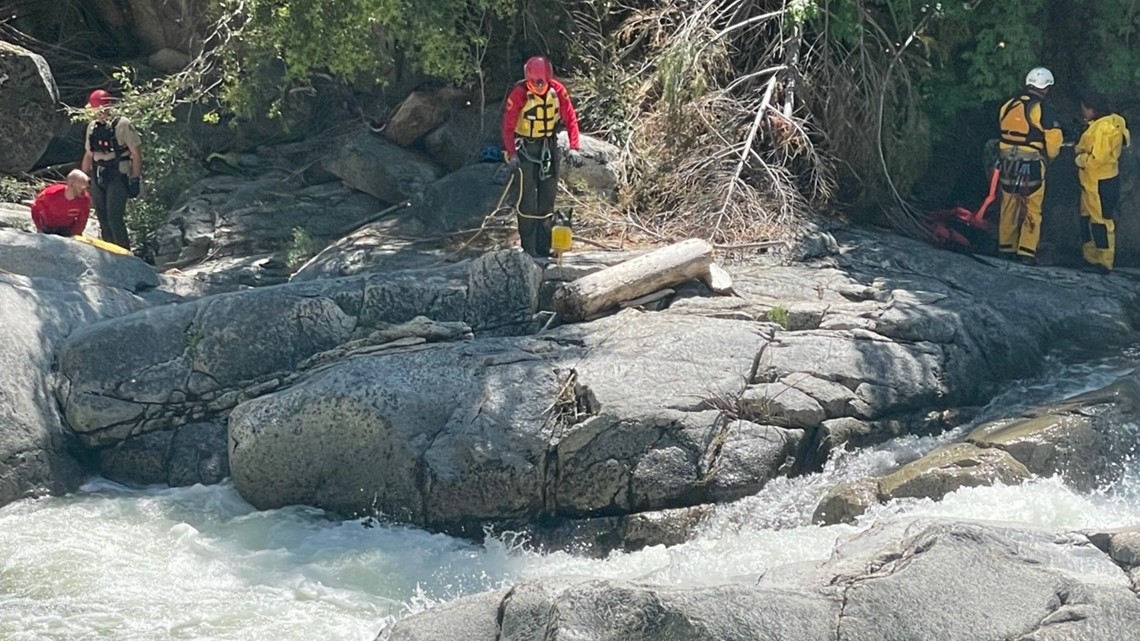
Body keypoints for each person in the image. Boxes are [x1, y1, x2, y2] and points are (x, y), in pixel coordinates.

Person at [500, 56, 582, 258]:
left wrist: (574, 147)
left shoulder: (558, 91)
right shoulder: (519, 94)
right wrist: (512, 154)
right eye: (535, 84)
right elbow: (508, 127)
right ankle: (529, 249)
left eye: (542, 83)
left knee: (547, 198)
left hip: (548, 147)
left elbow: (570, 118)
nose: (538, 87)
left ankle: (544, 248)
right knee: (527, 200)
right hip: (526, 150)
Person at [995, 67, 1064, 264]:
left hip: (1007, 162)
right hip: (1031, 163)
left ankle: (1005, 247)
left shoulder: (1008, 105)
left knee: (1008, 204)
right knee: (1032, 207)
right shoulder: (1044, 109)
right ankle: (1026, 251)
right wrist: (1050, 156)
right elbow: (1054, 140)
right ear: (1047, 88)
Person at [80, 89, 143, 251]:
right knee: (103, 217)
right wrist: (82, 178)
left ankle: (124, 255)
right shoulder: (92, 127)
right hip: (98, 175)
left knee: (114, 217)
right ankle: (108, 253)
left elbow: (136, 154)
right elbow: (89, 154)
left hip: (118, 175)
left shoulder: (123, 125)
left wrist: (135, 178)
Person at [1074, 92, 1130, 274]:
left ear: (1092, 109)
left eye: (1084, 108)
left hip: (1099, 181)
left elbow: (1098, 158)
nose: (1083, 111)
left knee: (1101, 222)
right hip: (1093, 181)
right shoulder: (1112, 122)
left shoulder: (1103, 128)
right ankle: (1091, 257)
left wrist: (1080, 159)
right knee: (1087, 220)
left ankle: (1104, 262)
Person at [30, 169, 91, 237]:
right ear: (71, 184)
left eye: (86, 188)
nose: (84, 191)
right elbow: (35, 208)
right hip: (47, 228)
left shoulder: (84, 199)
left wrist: (76, 234)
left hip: (67, 229)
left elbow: (82, 219)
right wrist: (39, 228)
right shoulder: (51, 194)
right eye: (81, 187)